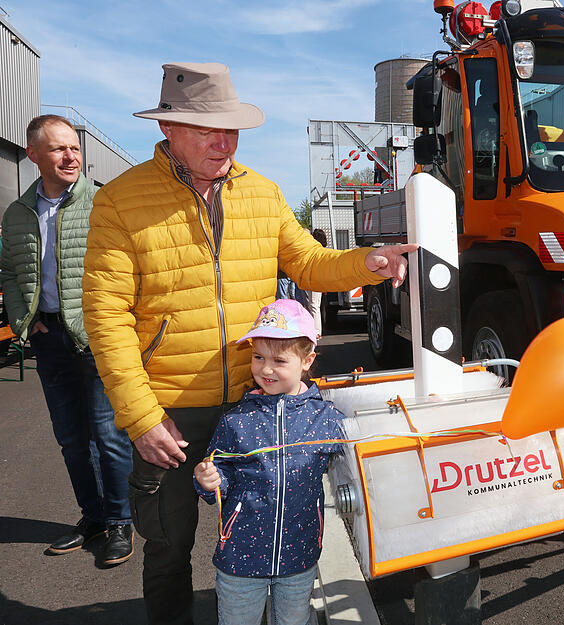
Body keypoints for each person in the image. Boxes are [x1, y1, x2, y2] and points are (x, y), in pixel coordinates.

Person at [81, 62, 415, 625]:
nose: (223, 142)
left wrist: (368, 262)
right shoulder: (119, 200)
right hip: (169, 410)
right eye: (206, 129)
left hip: (254, 403)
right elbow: (106, 315)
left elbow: (307, 261)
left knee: (265, 531)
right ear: (168, 130)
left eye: (230, 129)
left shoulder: (262, 193)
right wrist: (140, 417)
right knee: (168, 545)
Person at [0, 114, 134, 566]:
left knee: (108, 434)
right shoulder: (18, 213)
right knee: (71, 438)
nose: (70, 155)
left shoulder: (103, 204)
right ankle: (93, 518)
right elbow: (10, 272)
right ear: (33, 154)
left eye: (74, 147)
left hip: (99, 336)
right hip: (49, 339)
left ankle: (120, 522)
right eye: (58, 149)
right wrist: (25, 318)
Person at [194, 299, 340, 625]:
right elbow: (222, 470)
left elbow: (357, 457)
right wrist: (210, 480)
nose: (266, 368)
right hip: (240, 555)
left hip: (298, 553)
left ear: (307, 360)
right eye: (258, 357)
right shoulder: (236, 419)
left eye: (279, 360)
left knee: (294, 620)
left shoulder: (326, 419)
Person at [308, 228, 328, 337]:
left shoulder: (317, 251)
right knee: (316, 305)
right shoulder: (323, 250)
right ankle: (317, 330)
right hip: (319, 281)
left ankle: (316, 331)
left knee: (314, 305)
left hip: (315, 280)